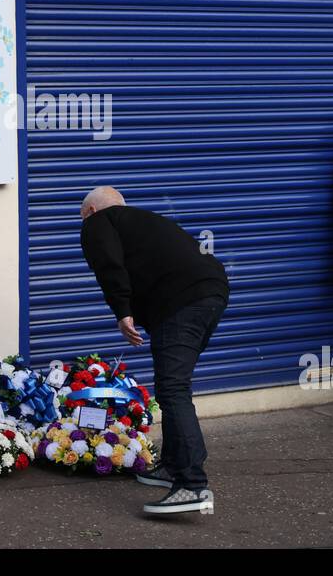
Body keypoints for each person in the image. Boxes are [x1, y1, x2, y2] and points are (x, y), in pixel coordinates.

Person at [79, 186, 229, 515]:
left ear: (91, 211)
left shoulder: (98, 221)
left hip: (182, 302)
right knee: (174, 385)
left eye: (82, 217)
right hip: (212, 294)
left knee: (173, 388)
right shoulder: (144, 220)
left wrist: (122, 311)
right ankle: (173, 466)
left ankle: (191, 485)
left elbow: (108, 263)